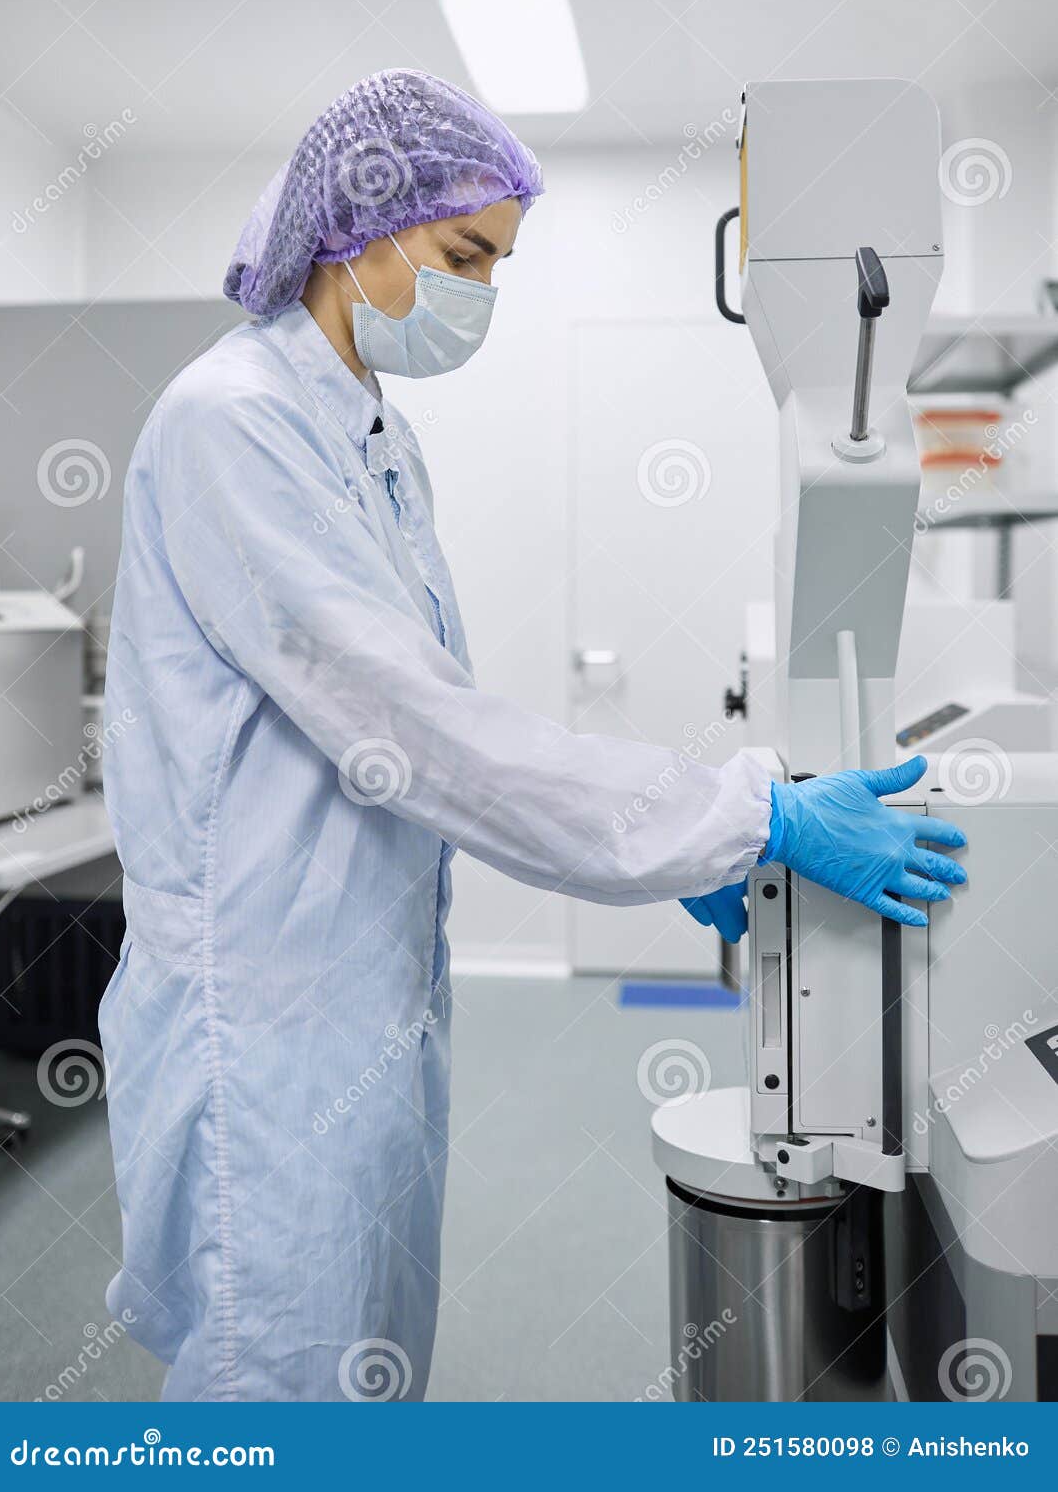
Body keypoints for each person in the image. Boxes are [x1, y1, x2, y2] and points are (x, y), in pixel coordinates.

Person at [98, 68, 967, 1403]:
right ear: (359, 226)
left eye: (497, 265)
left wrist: (687, 848)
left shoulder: (375, 437)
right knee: (274, 1389)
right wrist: (742, 813)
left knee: (367, 1375)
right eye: (462, 255)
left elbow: (437, 745)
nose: (481, 298)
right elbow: (428, 736)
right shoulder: (235, 427)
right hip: (265, 1028)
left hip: (368, 1001)